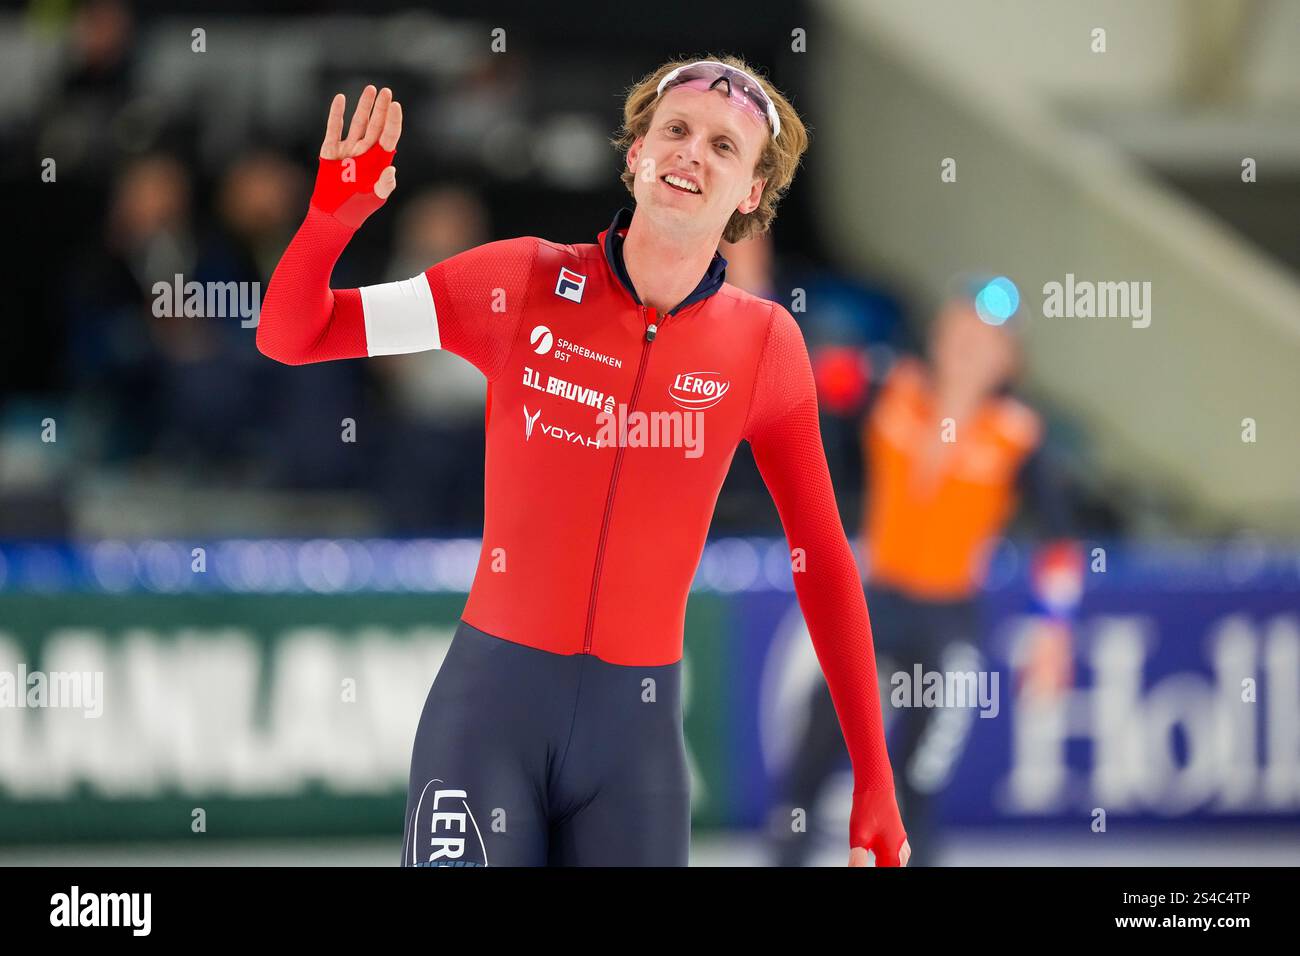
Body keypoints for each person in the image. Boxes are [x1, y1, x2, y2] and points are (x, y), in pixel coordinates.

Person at [255, 57, 909, 867]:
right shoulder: (518, 281)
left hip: (634, 750)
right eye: (674, 130)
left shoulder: (767, 347)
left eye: (722, 145)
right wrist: (330, 220)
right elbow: (291, 335)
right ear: (634, 152)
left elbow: (825, 564)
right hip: (488, 719)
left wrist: (874, 774)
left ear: (750, 194)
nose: (690, 153)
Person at [769, 287, 1081, 866]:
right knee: (820, 737)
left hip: (948, 616)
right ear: (936, 335)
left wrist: (1054, 631)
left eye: (985, 338)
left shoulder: (1018, 435)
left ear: (1008, 360)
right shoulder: (893, 387)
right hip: (875, 599)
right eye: (957, 328)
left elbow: (1060, 544)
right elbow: (804, 368)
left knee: (921, 772)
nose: (967, 345)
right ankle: (787, 851)